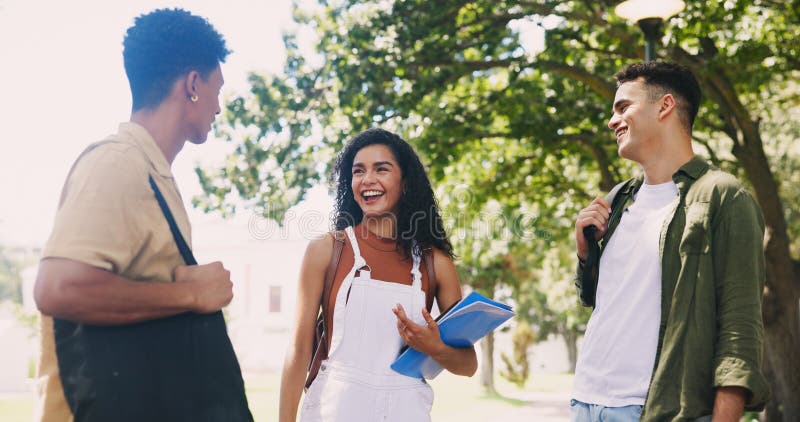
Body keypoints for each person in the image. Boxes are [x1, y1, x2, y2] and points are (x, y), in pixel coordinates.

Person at [33, 8, 251, 422]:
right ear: (192, 84)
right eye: (216, 88)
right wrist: (192, 295)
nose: (218, 107)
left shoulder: (153, 174)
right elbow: (57, 289)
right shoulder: (118, 164)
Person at [572, 61, 769, 421]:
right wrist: (587, 256)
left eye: (623, 107)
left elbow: (740, 330)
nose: (612, 121)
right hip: (586, 403)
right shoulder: (618, 199)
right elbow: (607, 301)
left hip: (658, 409)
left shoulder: (724, 197)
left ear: (664, 106)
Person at [279, 128, 478, 421]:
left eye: (381, 169)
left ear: (405, 183)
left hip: (406, 411)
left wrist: (434, 346)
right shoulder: (327, 250)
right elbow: (298, 350)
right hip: (333, 410)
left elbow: (468, 364)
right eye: (359, 171)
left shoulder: (436, 263)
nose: (368, 180)